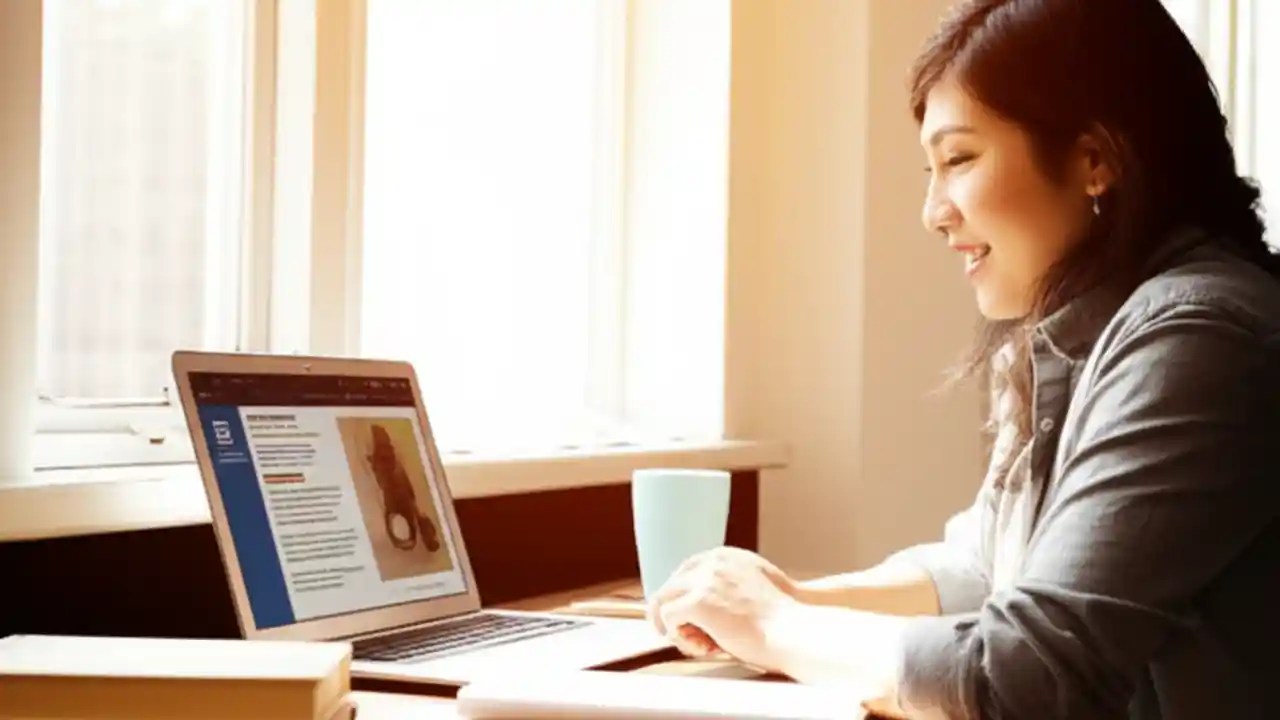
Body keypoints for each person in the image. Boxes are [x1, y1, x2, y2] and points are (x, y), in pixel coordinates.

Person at [646, 1, 1280, 718]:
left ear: (1094, 159)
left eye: (958, 159)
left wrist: (775, 626)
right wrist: (785, 600)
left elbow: (1021, 677)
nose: (933, 210)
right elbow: (986, 563)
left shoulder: (1198, 336)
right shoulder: (1084, 328)